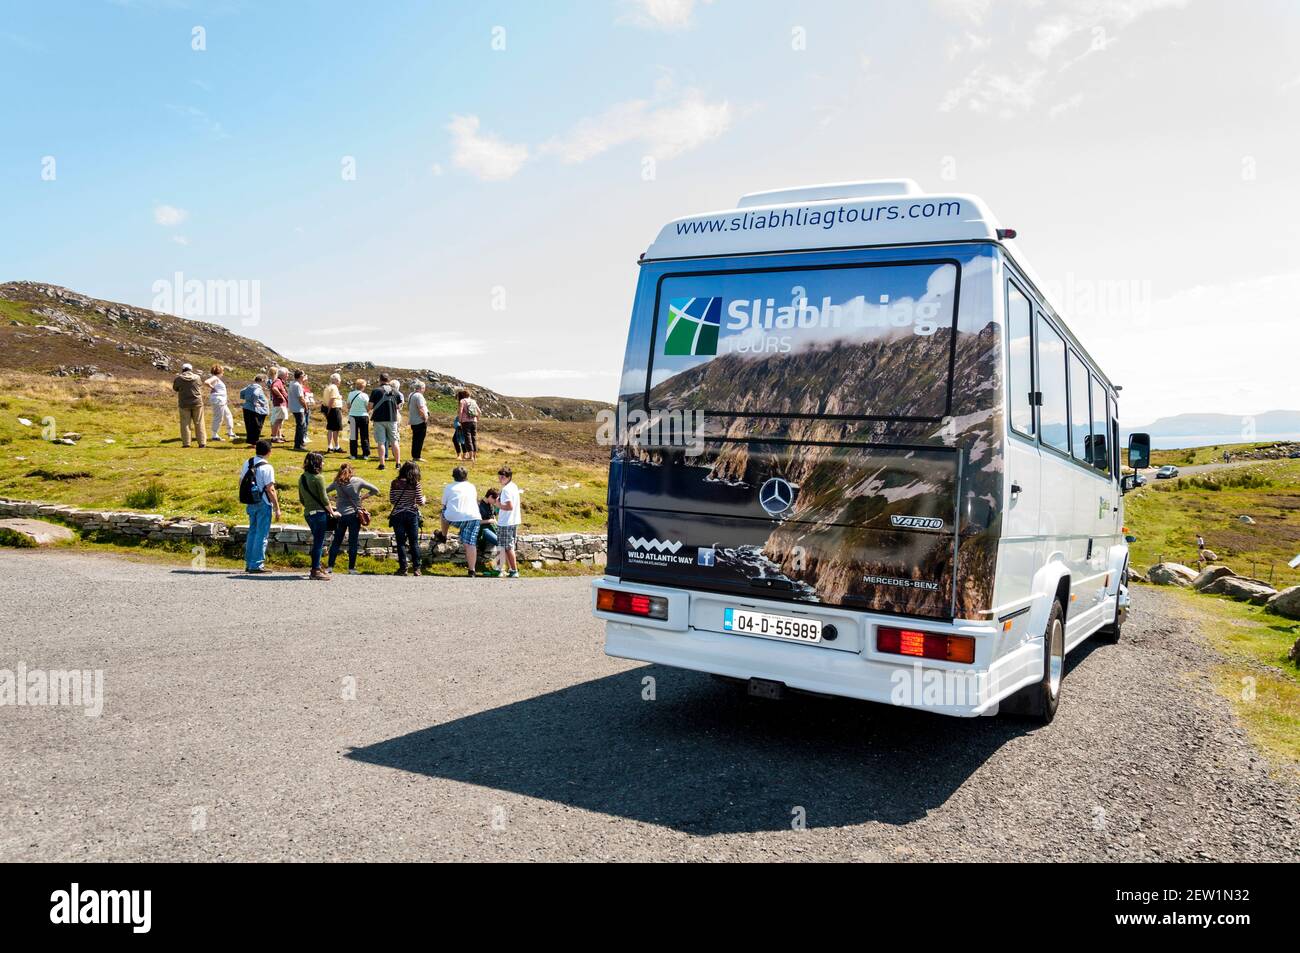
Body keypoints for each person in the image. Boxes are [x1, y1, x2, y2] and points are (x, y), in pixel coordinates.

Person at [326, 462, 379, 574]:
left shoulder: (337, 482)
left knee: (337, 541)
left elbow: (323, 492)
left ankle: (330, 567)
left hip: (340, 515)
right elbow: (375, 490)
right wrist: (363, 497)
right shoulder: (358, 480)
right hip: (354, 515)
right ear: (352, 471)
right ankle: (351, 568)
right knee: (353, 542)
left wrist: (333, 499)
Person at [240, 439, 281, 573]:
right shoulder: (267, 467)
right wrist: (277, 507)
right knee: (262, 534)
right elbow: (270, 489)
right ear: (269, 452)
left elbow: (241, 481)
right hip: (263, 501)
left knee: (252, 531)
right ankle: (256, 564)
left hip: (250, 501)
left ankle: (249, 562)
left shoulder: (248, 462)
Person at [297, 451, 337, 580]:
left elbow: (301, 498)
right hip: (319, 514)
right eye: (322, 461)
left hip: (308, 513)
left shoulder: (302, 477)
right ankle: (315, 570)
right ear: (317, 463)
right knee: (318, 543)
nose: (324, 463)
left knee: (317, 541)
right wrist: (332, 512)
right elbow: (324, 499)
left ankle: (317, 566)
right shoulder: (319, 477)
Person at [438, 466, 480, 577]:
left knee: (443, 513)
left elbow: (444, 505)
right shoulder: (472, 487)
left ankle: (443, 535)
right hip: (473, 517)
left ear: (453, 476)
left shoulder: (449, 487)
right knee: (470, 543)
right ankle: (472, 571)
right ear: (466, 476)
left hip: (454, 518)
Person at [388, 461, 425, 576]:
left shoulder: (394, 483)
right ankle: (416, 568)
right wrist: (424, 499)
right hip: (411, 514)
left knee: (400, 542)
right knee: (414, 542)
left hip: (398, 514)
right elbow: (420, 502)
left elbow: (393, 500)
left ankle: (403, 568)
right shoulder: (415, 484)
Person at [368, 373, 402, 471]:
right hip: (392, 419)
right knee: (395, 441)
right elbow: (399, 406)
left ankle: (382, 464)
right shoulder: (395, 391)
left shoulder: (376, 391)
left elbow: (370, 406)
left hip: (379, 419)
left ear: (380, 380)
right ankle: (398, 464)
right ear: (388, 380)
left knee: (381, 442)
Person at [496, 465, 522, 578]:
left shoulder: (506, 490)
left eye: (503, 477)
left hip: (506, 522)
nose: (500, 479)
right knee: (506, 546)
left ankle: (512, 570)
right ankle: (501, 568)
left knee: (505, 547)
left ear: (509, 477)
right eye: (499, 477)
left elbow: (509, 506)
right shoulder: (513, 486)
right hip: (513, 521)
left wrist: (497, 504)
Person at [173, 362, 207, 448]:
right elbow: (199, 385)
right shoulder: (197, 377)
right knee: (199, 422)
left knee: (185, 423)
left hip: (184, 404)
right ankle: (202, 443)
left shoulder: (178, 378)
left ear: (183, 369)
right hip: (197, 403)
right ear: (191, 369)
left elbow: (175, 388)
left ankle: (186, 443)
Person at [205, 364, 236, 441]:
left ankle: (230, 432)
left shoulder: (217, 379)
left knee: (228, 415)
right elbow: (206, 382)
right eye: (222, 371)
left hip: (222, 401)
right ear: (219, 372)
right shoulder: (215, 377)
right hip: (218, 401)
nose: (223, 373)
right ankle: (214, 435)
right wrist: (212, 388)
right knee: (218, 417)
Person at [240, 374, 269, 446]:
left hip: (247, 407)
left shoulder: (249, 386)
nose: (265, 384)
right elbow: (255, 394)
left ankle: (251, 442)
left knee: (249, 426)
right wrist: (255, 402)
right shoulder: (258, 388)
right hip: (255, 410)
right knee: (257, 426)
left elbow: (242, 392)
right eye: (265, 382)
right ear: (262, 380)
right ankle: (254, 443)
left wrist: (246, 399)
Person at [477, 487, 501, 576]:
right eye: (495, 500)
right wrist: (489, 521)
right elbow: (476, 522)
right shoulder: (478, 505)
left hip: (492, 528)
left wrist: (496, 523)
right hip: (483, 531)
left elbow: (494, 517)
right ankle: (497, 568)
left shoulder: (491, 506)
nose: (495, 503)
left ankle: (498, 568)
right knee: (500, 542)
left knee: (504, 542)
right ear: (490, 496)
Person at [346, 378, 371, 459]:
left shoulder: (350, 394)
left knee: (353, 436)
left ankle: (353, 454)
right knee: (364, 436)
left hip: (353, 416)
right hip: (363, 416)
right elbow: (368, 407)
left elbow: (348, 406)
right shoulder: (365, 396)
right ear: (363, 387)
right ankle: (365, 454)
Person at [321, 373, 345, 453]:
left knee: (331, 428)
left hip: (329, 409)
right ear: (337, 380)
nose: (340, 381)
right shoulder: (334, 388)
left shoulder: (328, 387)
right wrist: (329, 410)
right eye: (339, 379)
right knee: (336, 429)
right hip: (334, 409)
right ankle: (336, 446)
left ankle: (330, 446)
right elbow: (332, 399)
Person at [408, 380, 429, 461]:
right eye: (424, 388)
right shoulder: (419, 396)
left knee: (415, 439)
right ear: (421, 388)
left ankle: (415, 455)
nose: (424, 390)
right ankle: (417, 456)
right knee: (419, 439)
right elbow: (420, 408)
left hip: (413, 420)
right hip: (419, 420)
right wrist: (425, 418)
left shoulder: (411, 394)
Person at [456, 388, 480, 461]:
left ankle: (470, 457)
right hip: (474, 421)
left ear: (463, 395)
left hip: (466, 422)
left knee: (468, 438)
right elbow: (479, 411)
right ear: (470, 394)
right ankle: (474, 457)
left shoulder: (462, 401)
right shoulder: (473, 401)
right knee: (474, 438)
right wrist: (477, 419)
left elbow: (460, 411)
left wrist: (460, 420)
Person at [288, 369, 308, 451]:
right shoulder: (297, 385)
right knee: (300, 426)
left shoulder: (292, 383)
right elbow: (301, 398)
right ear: (300, 376)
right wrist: (306, 407)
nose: (304, 377)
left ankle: (300, 442)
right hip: (298, 408)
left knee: (300, 425)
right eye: (303, 375)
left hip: (293, 407)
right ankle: (298, 445)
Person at [268, 367, 289, 442]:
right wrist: (281, 396)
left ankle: (278, 436)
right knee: (278, 421)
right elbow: (274, 388)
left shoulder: (279, 381)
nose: (288, 376)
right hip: (279, 404)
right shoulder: (278, 381)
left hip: (280, 404)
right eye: (287, 374)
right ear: (284, 374)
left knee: (279, 421)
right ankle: (274, 437)